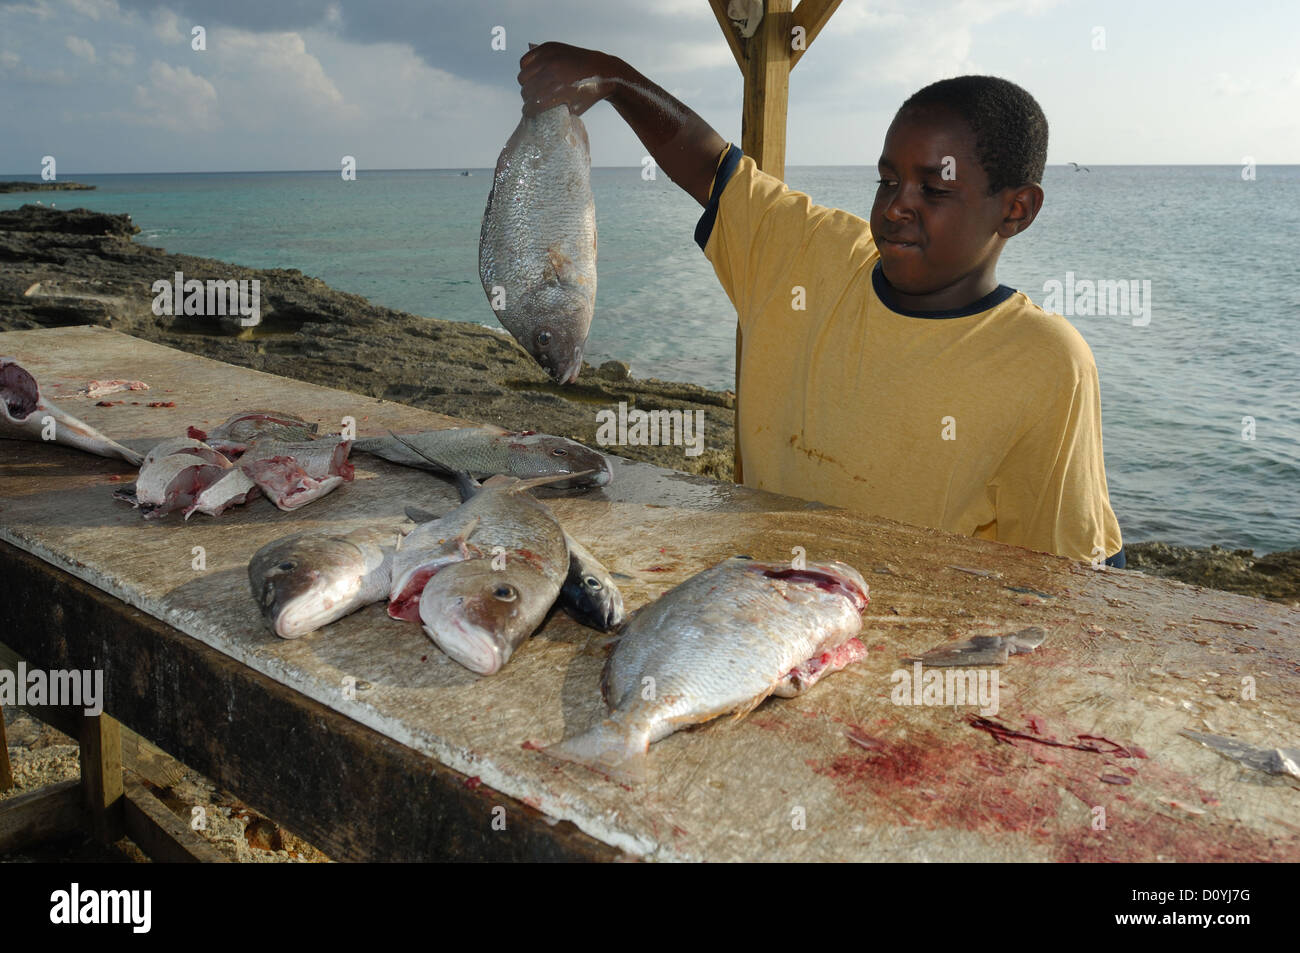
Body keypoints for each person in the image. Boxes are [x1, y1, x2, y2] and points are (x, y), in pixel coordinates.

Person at [518, 42, 1124, 568]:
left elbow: (1068, 571)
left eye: (934, 189)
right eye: (887, 181)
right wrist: (616, 79)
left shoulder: (1045, 364)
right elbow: (711, 167)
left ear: (1016, 209)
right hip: (754, 603)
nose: (895, 207)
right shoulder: (814, 254)